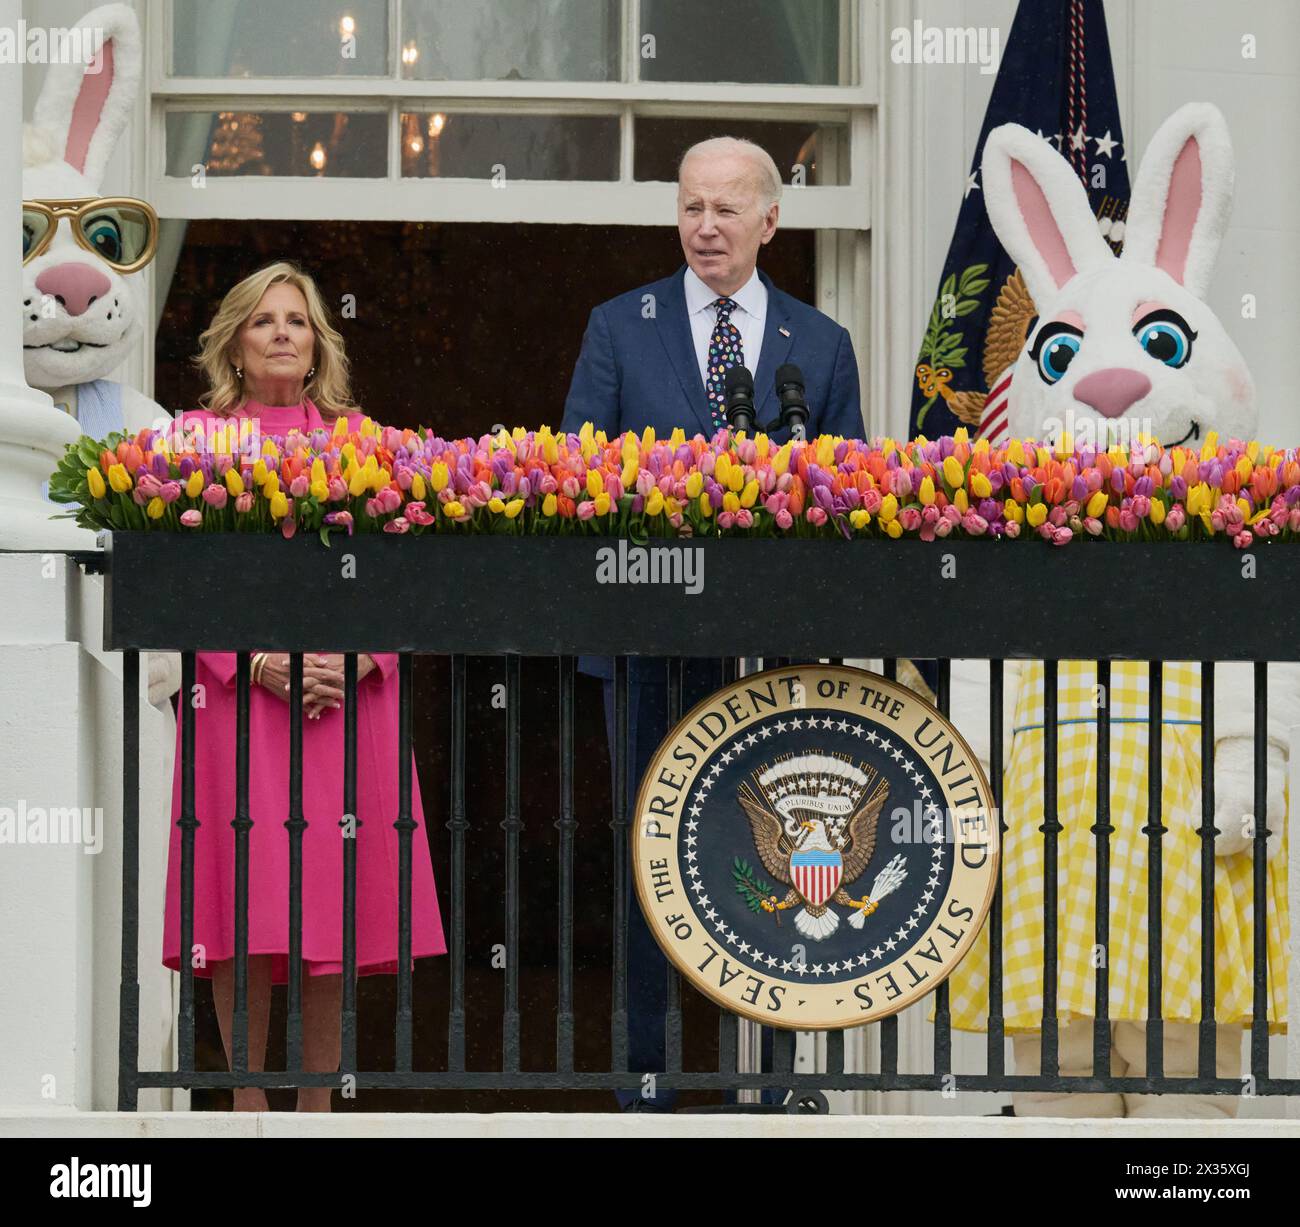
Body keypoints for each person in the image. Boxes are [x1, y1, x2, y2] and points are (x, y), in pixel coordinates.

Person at [560, 138, 864, 1110]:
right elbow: (576, 482)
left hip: (771, 657)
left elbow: (854, 502)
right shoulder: (620, 326)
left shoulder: (817, 347)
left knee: (778, 856)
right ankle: (644, 1076)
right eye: (691, 207)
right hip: (648, 649)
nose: (705, 226)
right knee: (655, 855)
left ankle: (774, 1082)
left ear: (770, 222)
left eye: (727, 209)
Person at [163, 261, 446, 1112]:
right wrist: (253, 662)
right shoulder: (194, 443)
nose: (284, 332)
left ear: (320, 342)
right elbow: (180, 582)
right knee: (244, 906)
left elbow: (410, 581)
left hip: (341, 705)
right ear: (235, 345)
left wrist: (359, 660)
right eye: (264, 321)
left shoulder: (369, 444)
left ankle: (318, 1108)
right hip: (237, 704)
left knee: (333, 911)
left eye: (298, 320)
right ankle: (248, 1103)